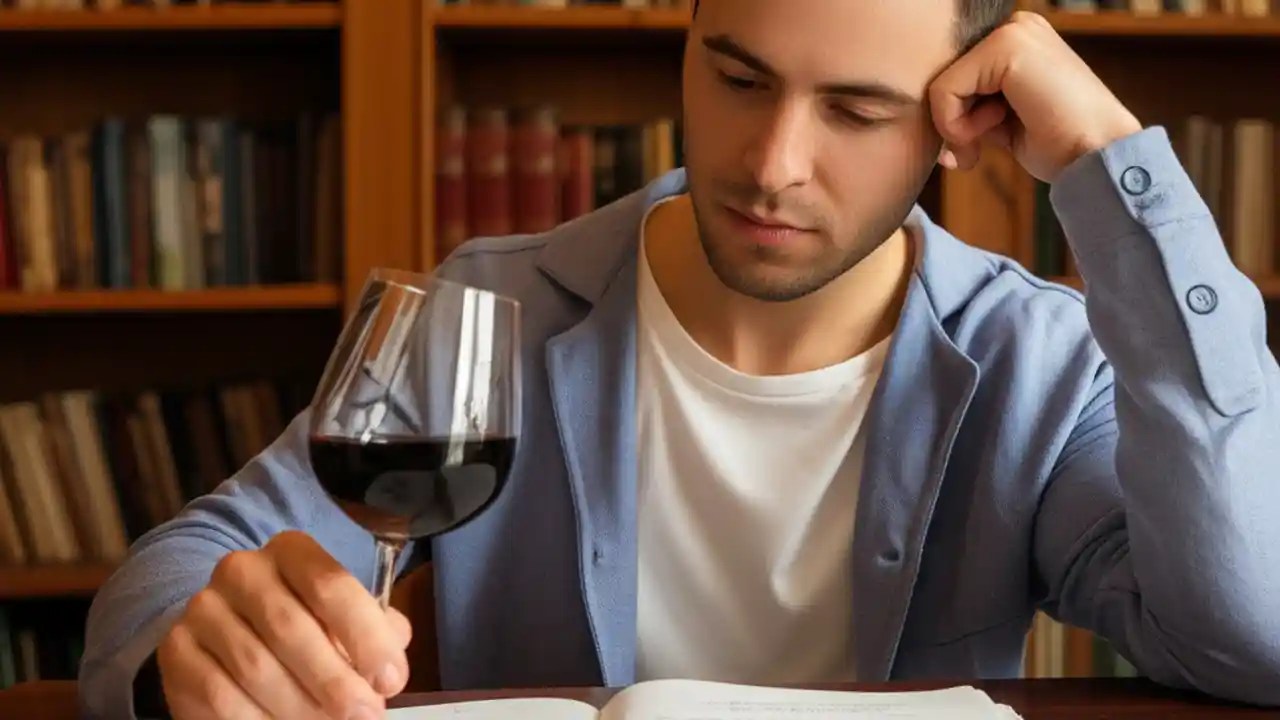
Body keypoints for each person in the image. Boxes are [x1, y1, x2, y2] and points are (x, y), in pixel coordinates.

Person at [80, 0, 1280, 718]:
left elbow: (1250, 638)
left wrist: (1113, 172)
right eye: (736, 76)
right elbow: (184, 566)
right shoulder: (494, 302)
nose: (769, 162)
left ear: (961, 121)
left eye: (857, 113)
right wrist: (194, 646)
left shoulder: (1037, 363)